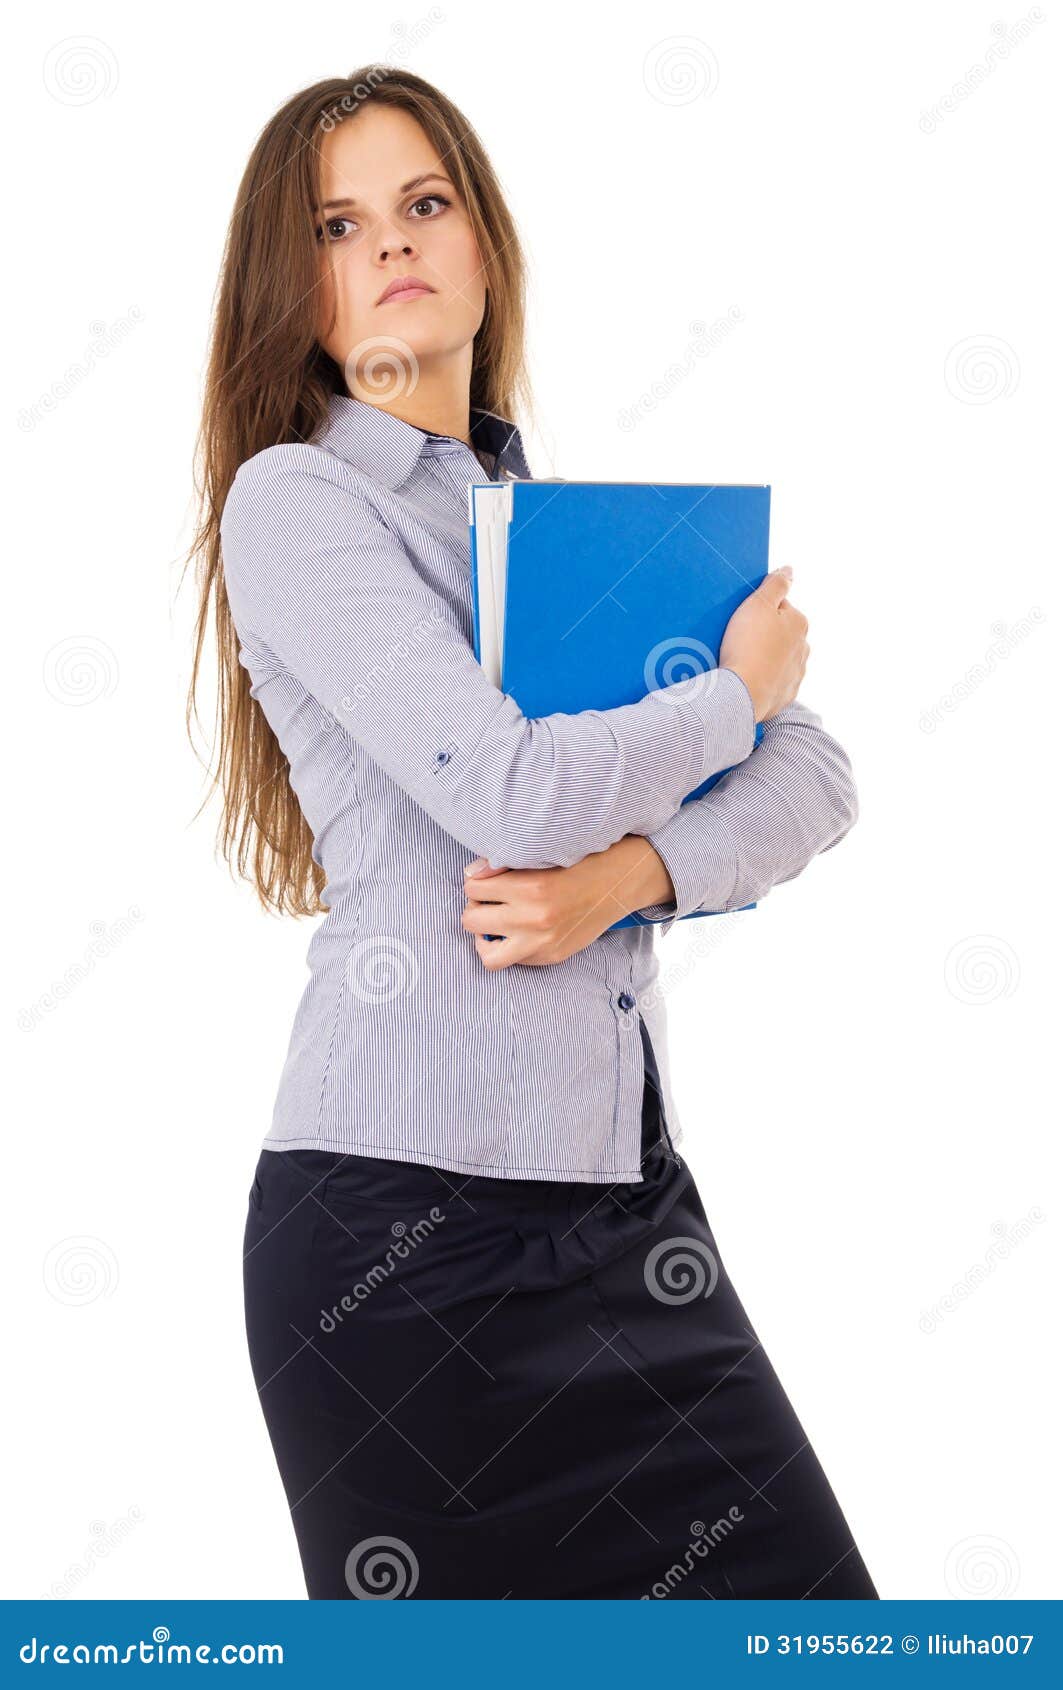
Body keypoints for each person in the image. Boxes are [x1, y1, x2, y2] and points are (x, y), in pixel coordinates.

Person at [187, 64, 877, 1601]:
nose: (392, 245)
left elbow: (819, 775)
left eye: (425, 203)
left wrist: (632, 877)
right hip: (399, 1252)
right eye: (339, 224)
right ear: (293, 288)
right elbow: (508, 785)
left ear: (485, 244)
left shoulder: (561, 529)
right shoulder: (297, 506)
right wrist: (727, 699)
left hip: (626, 1217)